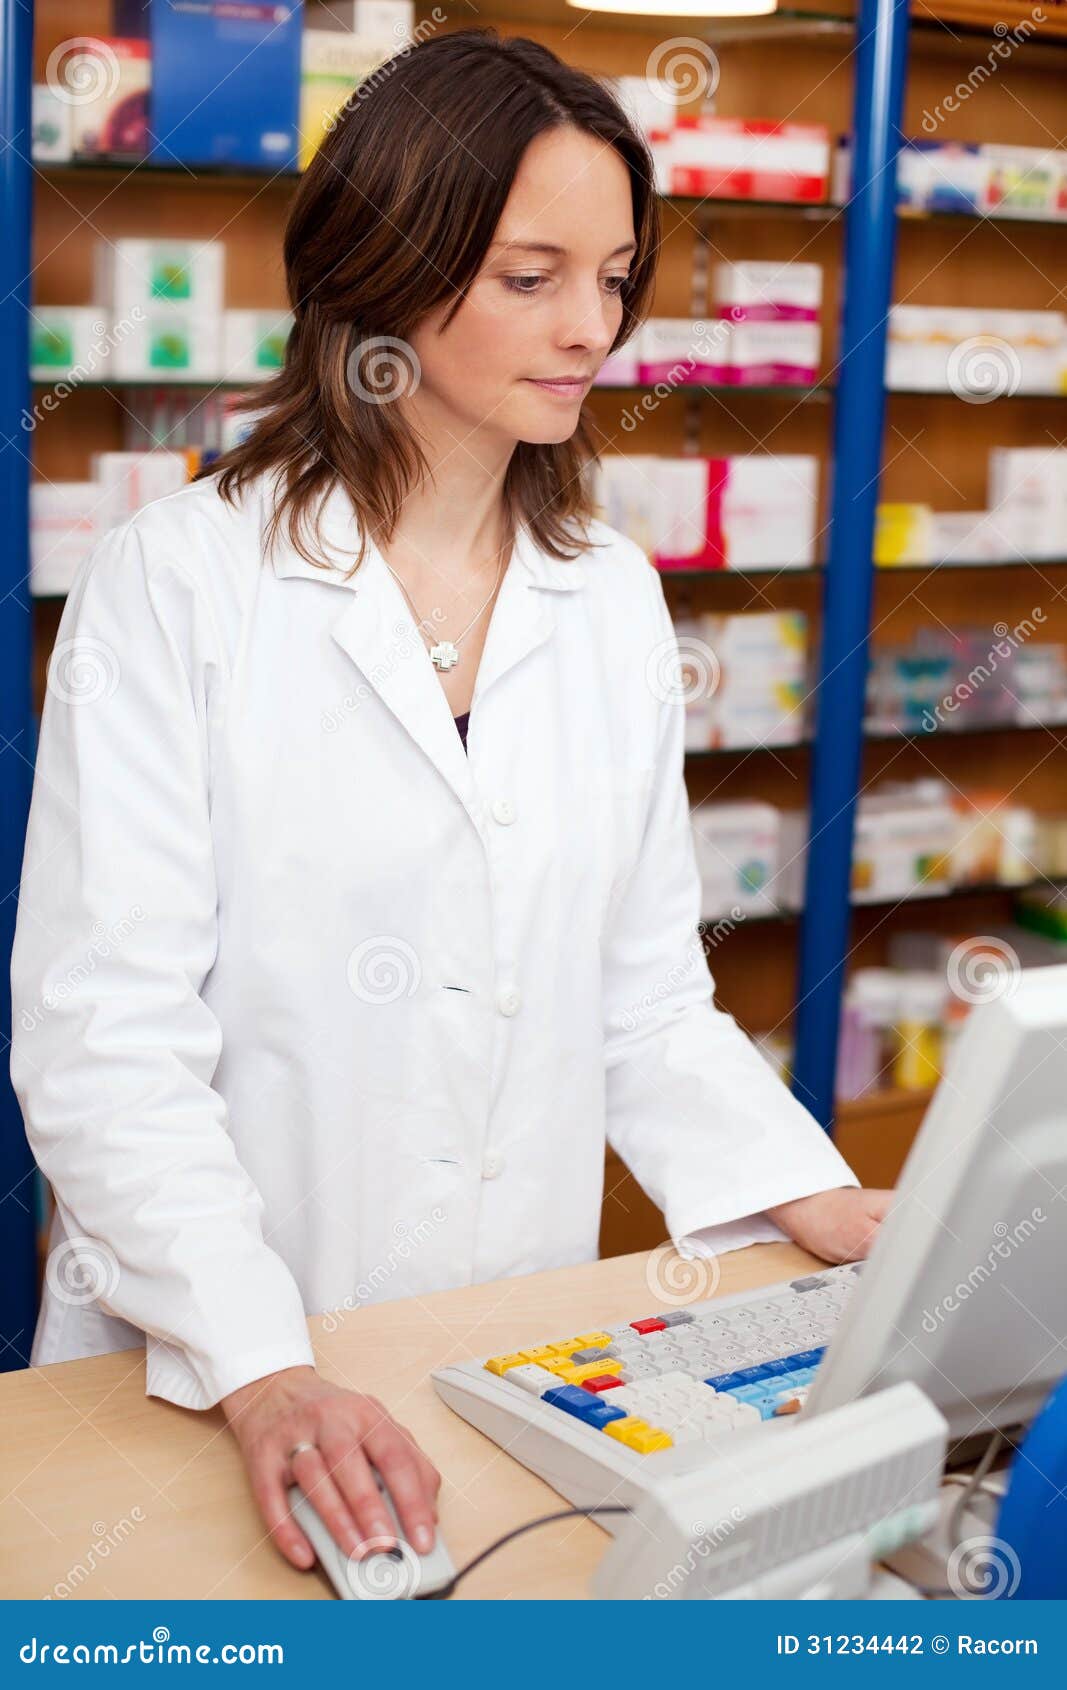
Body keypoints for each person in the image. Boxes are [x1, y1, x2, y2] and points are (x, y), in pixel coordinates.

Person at [9, 28, 890, 1577]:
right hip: (208, 1364)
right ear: (388, 274)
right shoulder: (181, 581)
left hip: (500, 1342)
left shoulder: (607, 593)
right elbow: (107, 1041)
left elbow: (646, 1006)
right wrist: (263, 1363)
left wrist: (818, 1197)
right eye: (529, 275)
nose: (591, 328)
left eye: (615, 275)